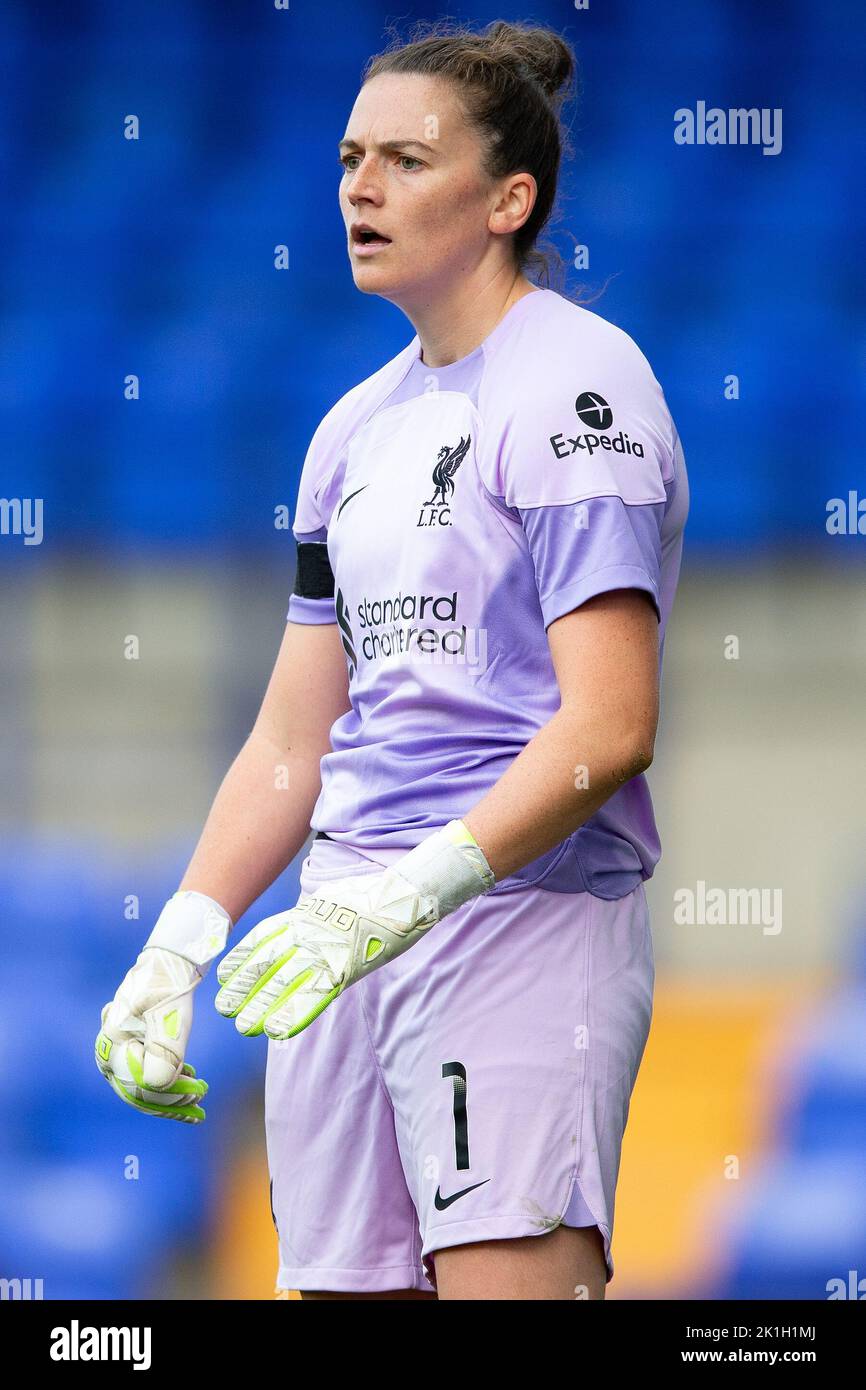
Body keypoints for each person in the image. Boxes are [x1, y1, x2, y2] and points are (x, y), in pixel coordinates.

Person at [95, 18, 688, 1301]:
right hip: (337, 939)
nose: (362, 189)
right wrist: (177, 950)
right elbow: (291, 742)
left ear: (506, 199)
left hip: (513, 922)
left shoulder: (579, 388)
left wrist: (409, 895)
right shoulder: (350, 431)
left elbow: (608, 727)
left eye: (407, 161)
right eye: (351, 156)